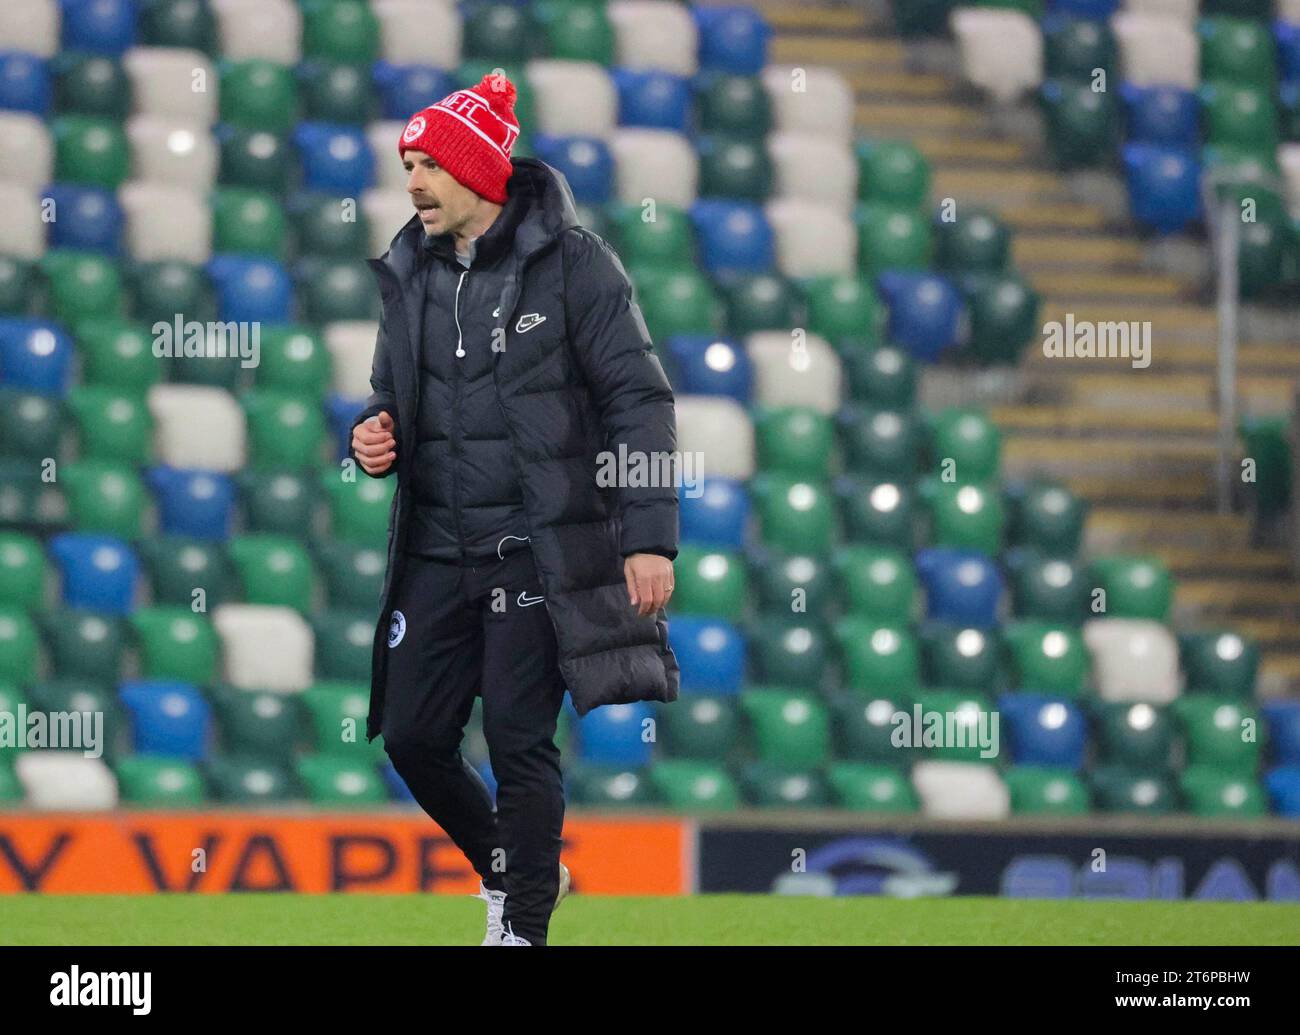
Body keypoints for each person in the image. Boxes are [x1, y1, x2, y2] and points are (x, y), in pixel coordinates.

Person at [349, 71, 680, 946]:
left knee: (520, 742)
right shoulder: (410, 266)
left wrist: (649, 537)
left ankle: (521, 928)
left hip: (536, 547)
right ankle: (519, 868)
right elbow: (390, 396)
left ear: (479, 173)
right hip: (432, 547)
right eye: (408, 164)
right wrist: (371, 437)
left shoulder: (578, 266)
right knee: (412, 734)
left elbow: (640, 404)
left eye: (429, 165)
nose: (412, 181)